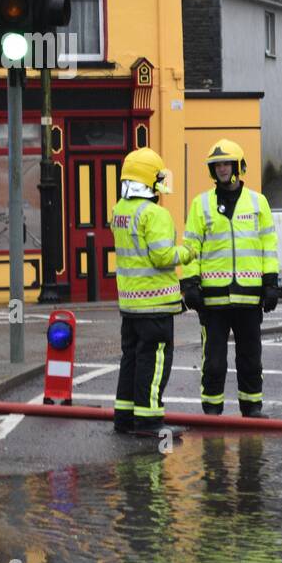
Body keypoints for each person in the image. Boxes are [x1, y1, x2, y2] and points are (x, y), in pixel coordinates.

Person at [182, 139, 280, 418]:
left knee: (250, 358)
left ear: (237, 166)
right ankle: (212, 410)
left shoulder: (257, 202)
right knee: (213, 361)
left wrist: (271, 284)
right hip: (213, 300)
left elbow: (268, 246)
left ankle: (252, 408)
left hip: (250, 298)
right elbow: (191, 247)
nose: (222, 169)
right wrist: (190, 285)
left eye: (226, 163)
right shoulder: (200, 204)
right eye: (217, 165)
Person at [111, 148, 193, 437]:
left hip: (130, 305)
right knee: (154, 361)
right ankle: (149, 421)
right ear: (150, 179)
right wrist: (187, 252)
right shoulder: (155, 214)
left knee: (131, 358)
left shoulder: (119, 211)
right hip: (155, 304)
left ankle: (125, 417)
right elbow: (162, 257)